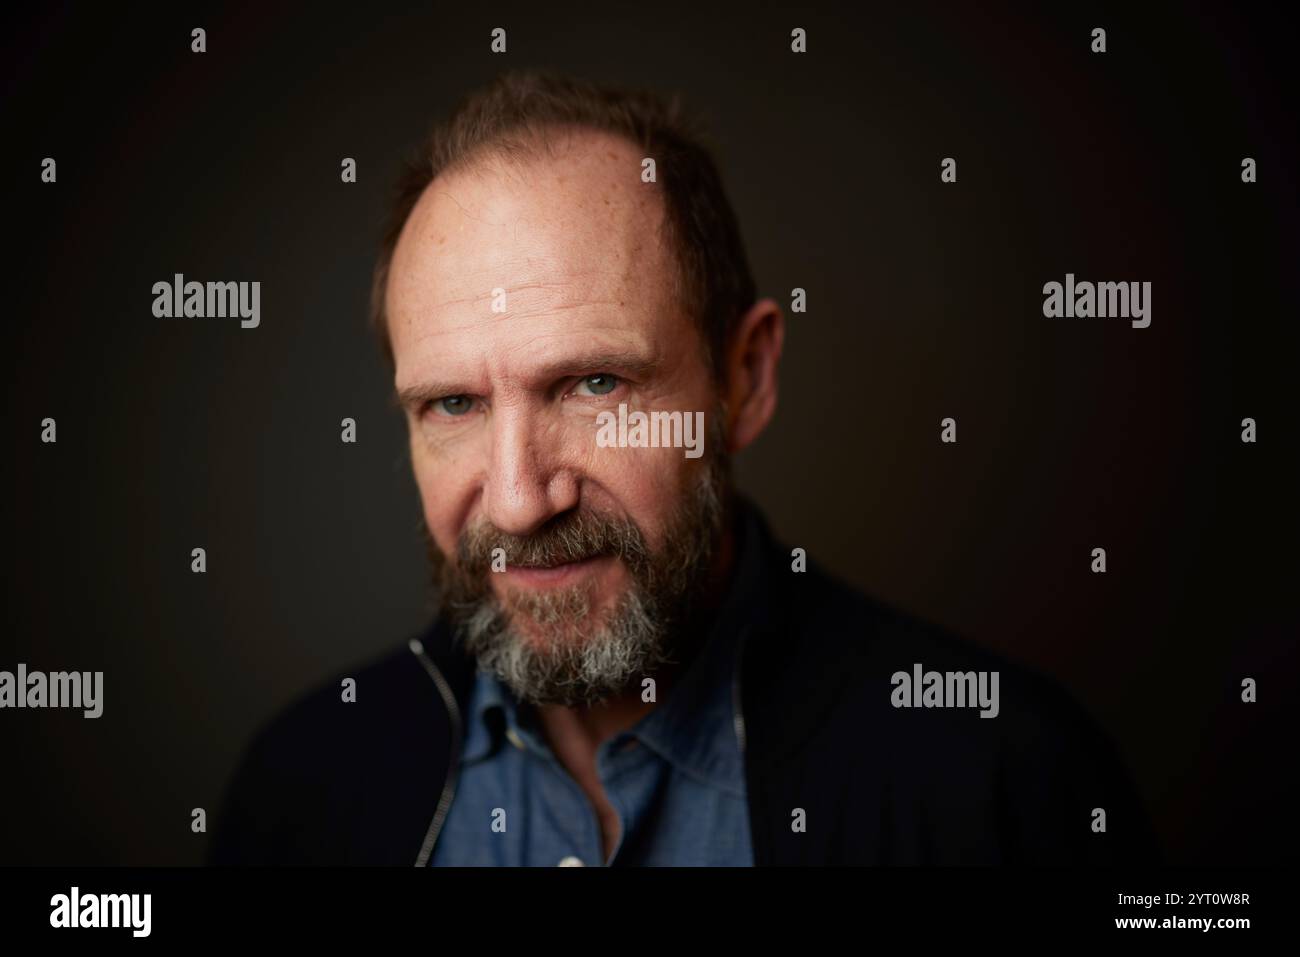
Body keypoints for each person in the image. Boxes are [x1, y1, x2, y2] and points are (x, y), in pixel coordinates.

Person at [210, 70, 1158, 866]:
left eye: (592, 382)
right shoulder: (299, 794)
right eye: (452, 404)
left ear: (743, 380)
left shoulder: (1004, 782)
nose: (516, 498)